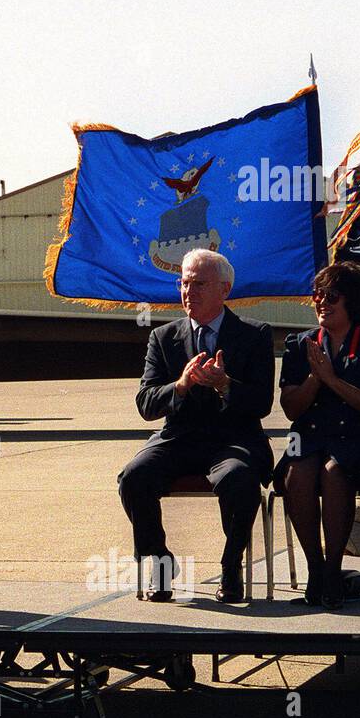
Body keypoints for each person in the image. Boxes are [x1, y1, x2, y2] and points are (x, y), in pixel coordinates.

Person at [117, 249, 275, 603]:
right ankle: (159, 565)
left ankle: (231, 565)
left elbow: (262, 403)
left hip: (234, 440)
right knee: (133, 477)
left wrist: (225, 384)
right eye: (184, 283)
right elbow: (146, 404)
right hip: (180, 439)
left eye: (200, 284)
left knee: (240, 479)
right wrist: (182, 385)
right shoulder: (163, 337)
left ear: (225, 289)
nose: (189, 292)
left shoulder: (254, 335)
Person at [275, 264, 360, 609]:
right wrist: (315, 378)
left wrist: (331, 379)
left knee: (334, 473)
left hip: (357, 436)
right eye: (317, 295)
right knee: (298, 474)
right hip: (310, 436)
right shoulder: (300, 345)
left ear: (352, 301)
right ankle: (317, 570)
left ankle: (334, 571)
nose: (321, 302)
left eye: (331, 296)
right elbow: (291, 408)